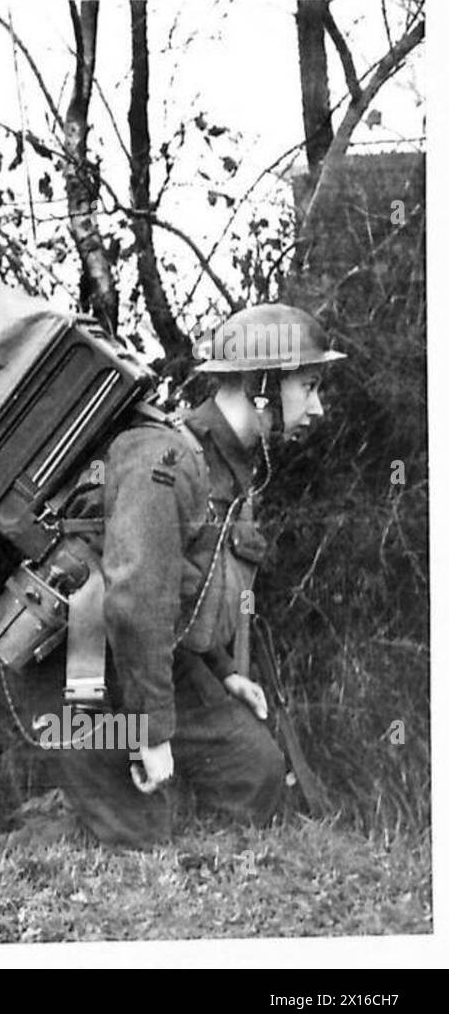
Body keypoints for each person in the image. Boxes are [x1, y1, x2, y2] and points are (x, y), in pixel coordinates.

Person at [58, 304, 345, 847]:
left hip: (156, 659)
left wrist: (223, 670)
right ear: (263, 384)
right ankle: (68, 788)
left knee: (256, 775)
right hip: (89, 666)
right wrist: (152, 732)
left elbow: (191, 589)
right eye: (308, 387)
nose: (319, 407)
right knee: (138, 835)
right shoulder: (163, 458)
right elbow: (135, 603)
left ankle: (126, 775)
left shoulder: (234, 466)